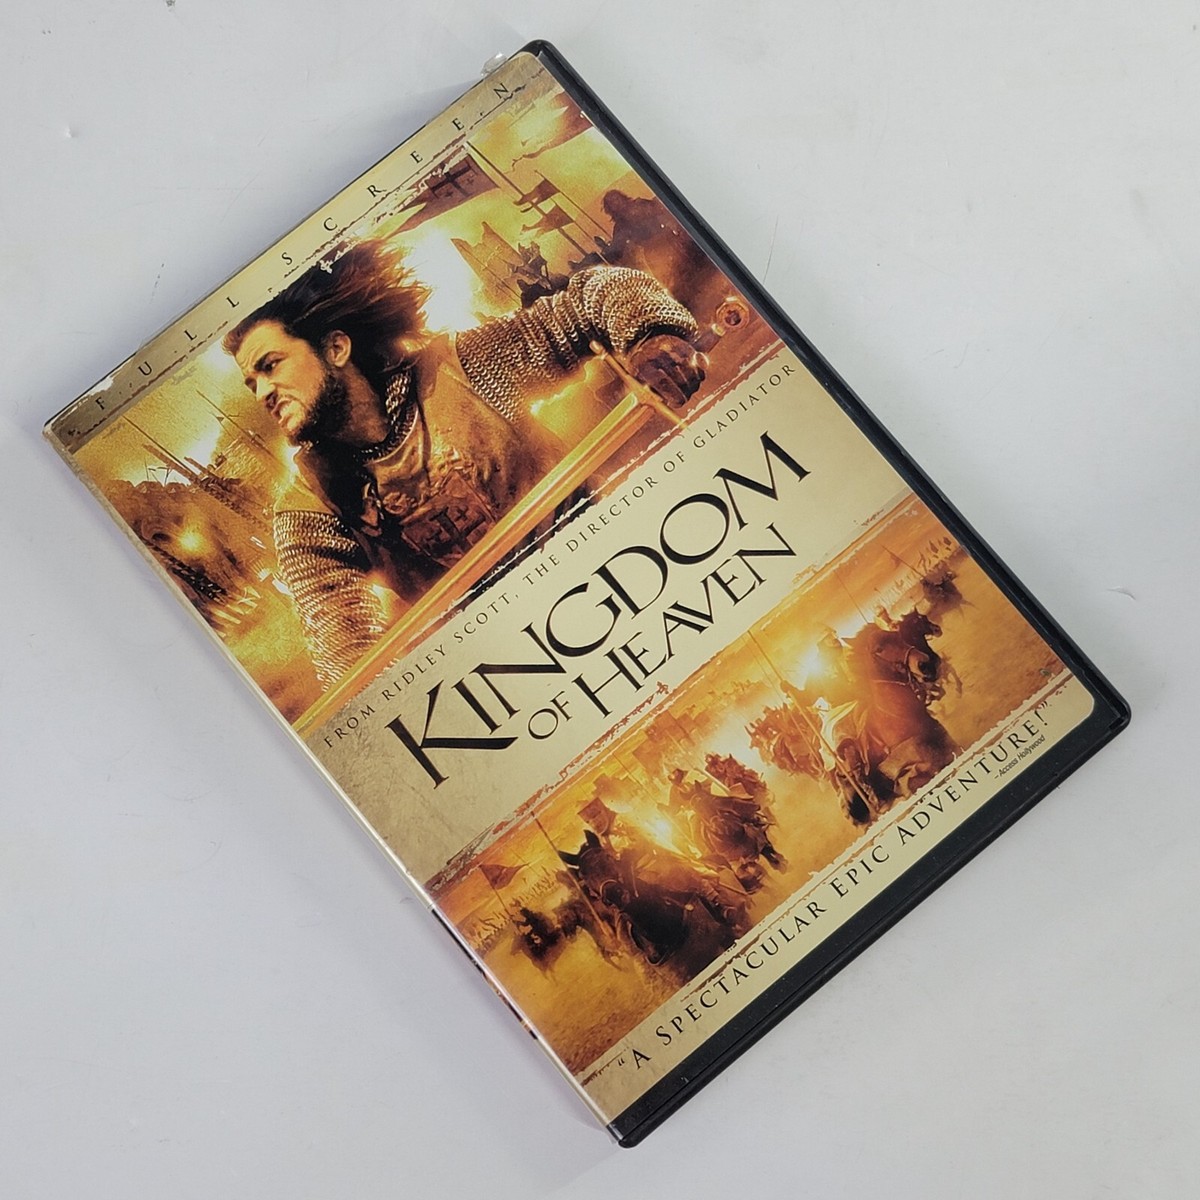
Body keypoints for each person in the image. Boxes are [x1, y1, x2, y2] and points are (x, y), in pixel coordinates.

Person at [224, 239, 705, 685]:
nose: (263, 392)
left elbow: (594, 295)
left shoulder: (461, 369)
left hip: (640, 568)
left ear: (335, 348)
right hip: (533, 661)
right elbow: (351, 664)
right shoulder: (310, 511)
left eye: (270, 366)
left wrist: (651, 336)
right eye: (252, 383)